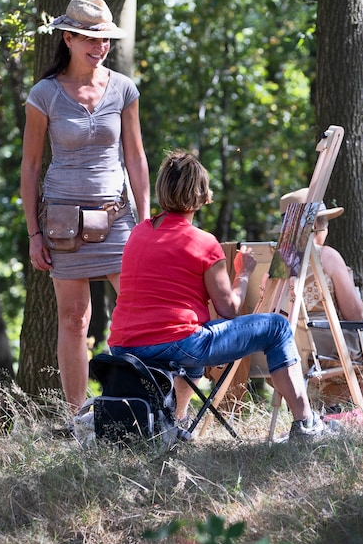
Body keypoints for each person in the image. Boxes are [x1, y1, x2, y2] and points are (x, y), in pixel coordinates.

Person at [108, 151, 328, 439]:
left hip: (124, 347)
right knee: (277, 327)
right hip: (175, 343)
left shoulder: (138, 234)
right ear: (201, 194)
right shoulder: (202, 242)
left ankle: (177, 422)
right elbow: (229, 309)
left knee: (198, 332)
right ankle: (306, 423)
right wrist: (244, 272)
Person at [21, 0, 150, 414]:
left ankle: (146, 406)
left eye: (106, 39)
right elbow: (31, 165)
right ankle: (79, 417)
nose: (101, 47)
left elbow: (136, 158)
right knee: (74, 319)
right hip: (62, 223)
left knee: (140, 311)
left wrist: (146, 223)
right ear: (69, 38)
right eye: (93, 39)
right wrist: (34, 233)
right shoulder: (44, 95)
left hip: (117, 218)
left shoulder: (124, 88)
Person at [279, 189, 363, 410]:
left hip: (288, 346)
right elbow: (354, 314)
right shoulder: (327, 256)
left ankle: (330, 410)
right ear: (319, 226)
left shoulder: (278, 258)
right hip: (325, 344)